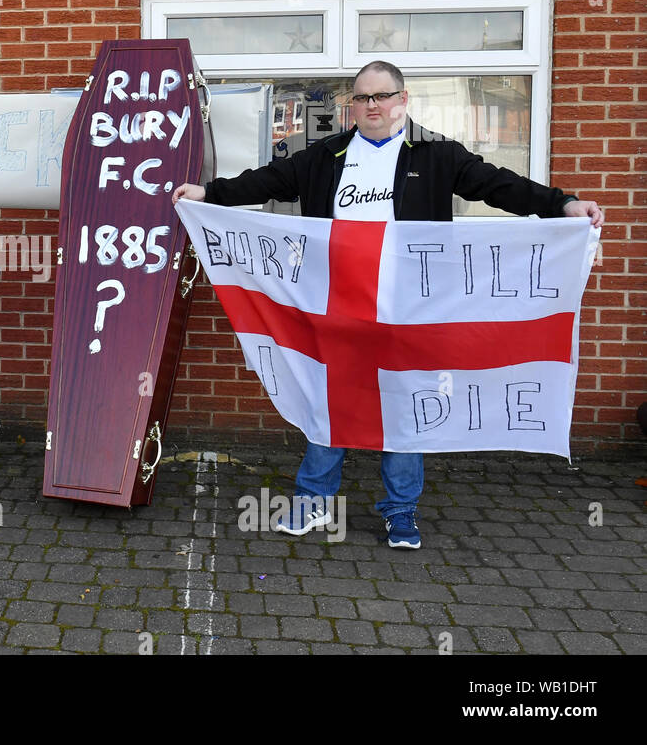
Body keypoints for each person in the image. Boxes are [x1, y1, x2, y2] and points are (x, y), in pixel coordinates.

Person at [172, 60, 603, 550]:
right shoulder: (326, 155)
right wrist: (208, 195)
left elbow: (496, 184)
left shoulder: (438, 155)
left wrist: (562, 204)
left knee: (405, 406)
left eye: (381, 96)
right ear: (351, 105)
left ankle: (401, 513)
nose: (371, 106)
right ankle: (314, 502)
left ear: (403, 99)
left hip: (407, 310)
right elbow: (268, 181)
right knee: (327, 399)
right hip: (335, 306)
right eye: (362, 97)